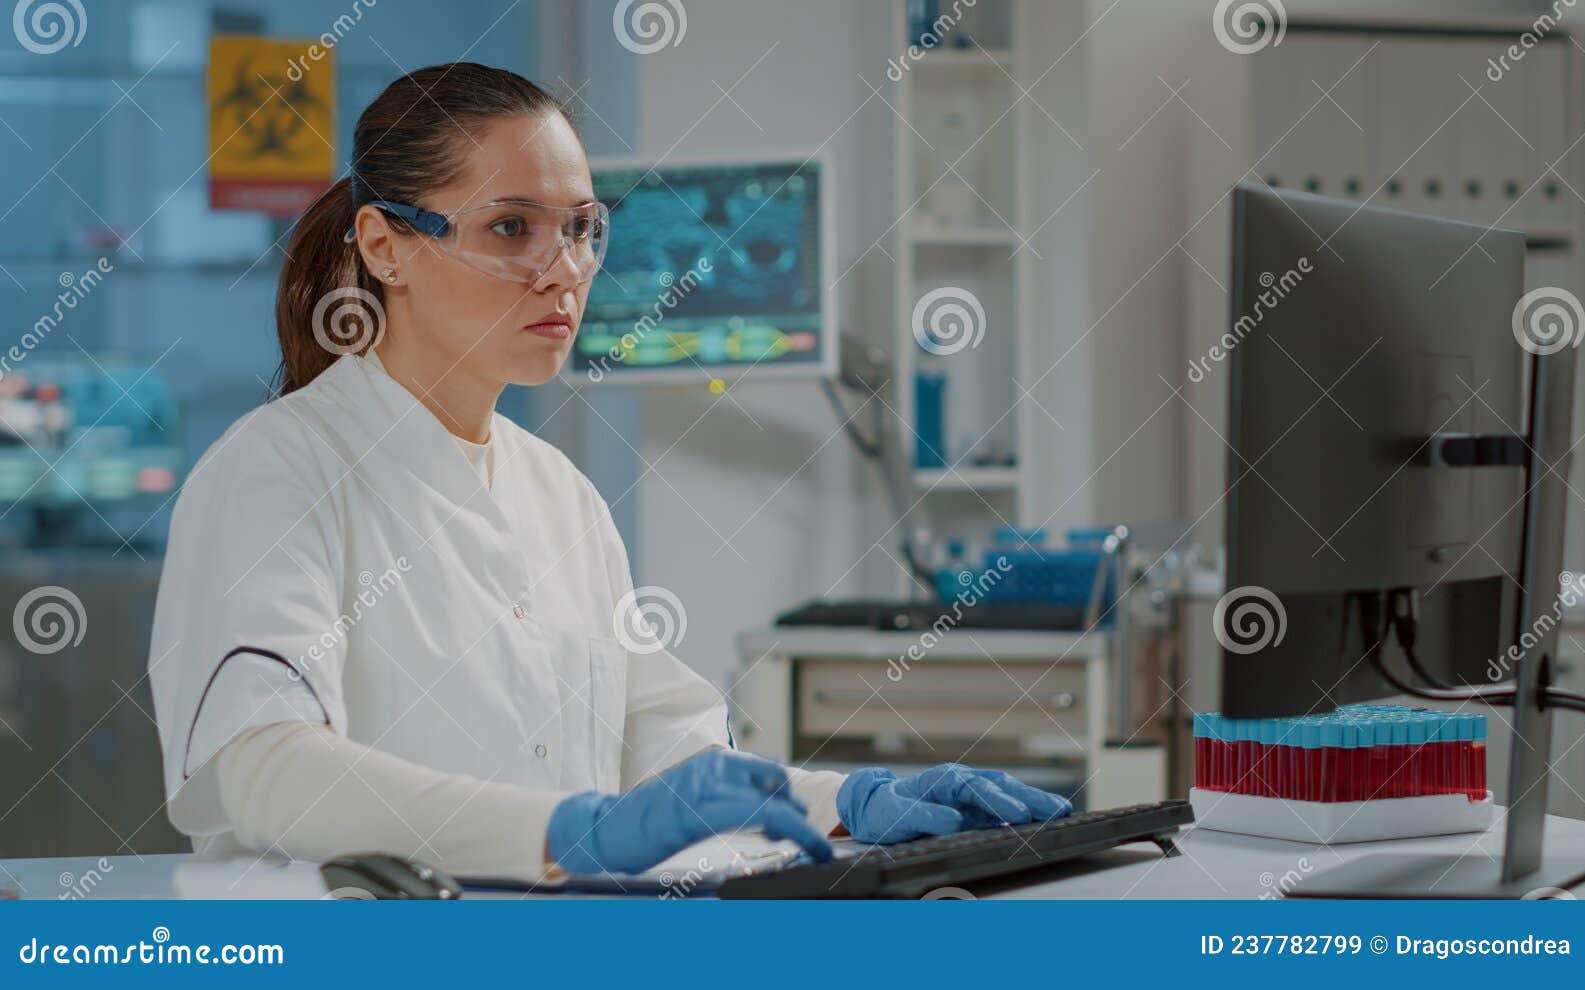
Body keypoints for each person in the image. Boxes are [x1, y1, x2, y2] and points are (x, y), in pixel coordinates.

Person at [147, 63, 1071, 883]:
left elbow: (668, 751)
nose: (565, 273)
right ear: (385, 246)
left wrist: (850, 799)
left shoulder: (560, 494)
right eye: (512, 228)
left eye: (583, 229)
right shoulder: (276, 469)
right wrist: (564, 832)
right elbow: (260, 766)